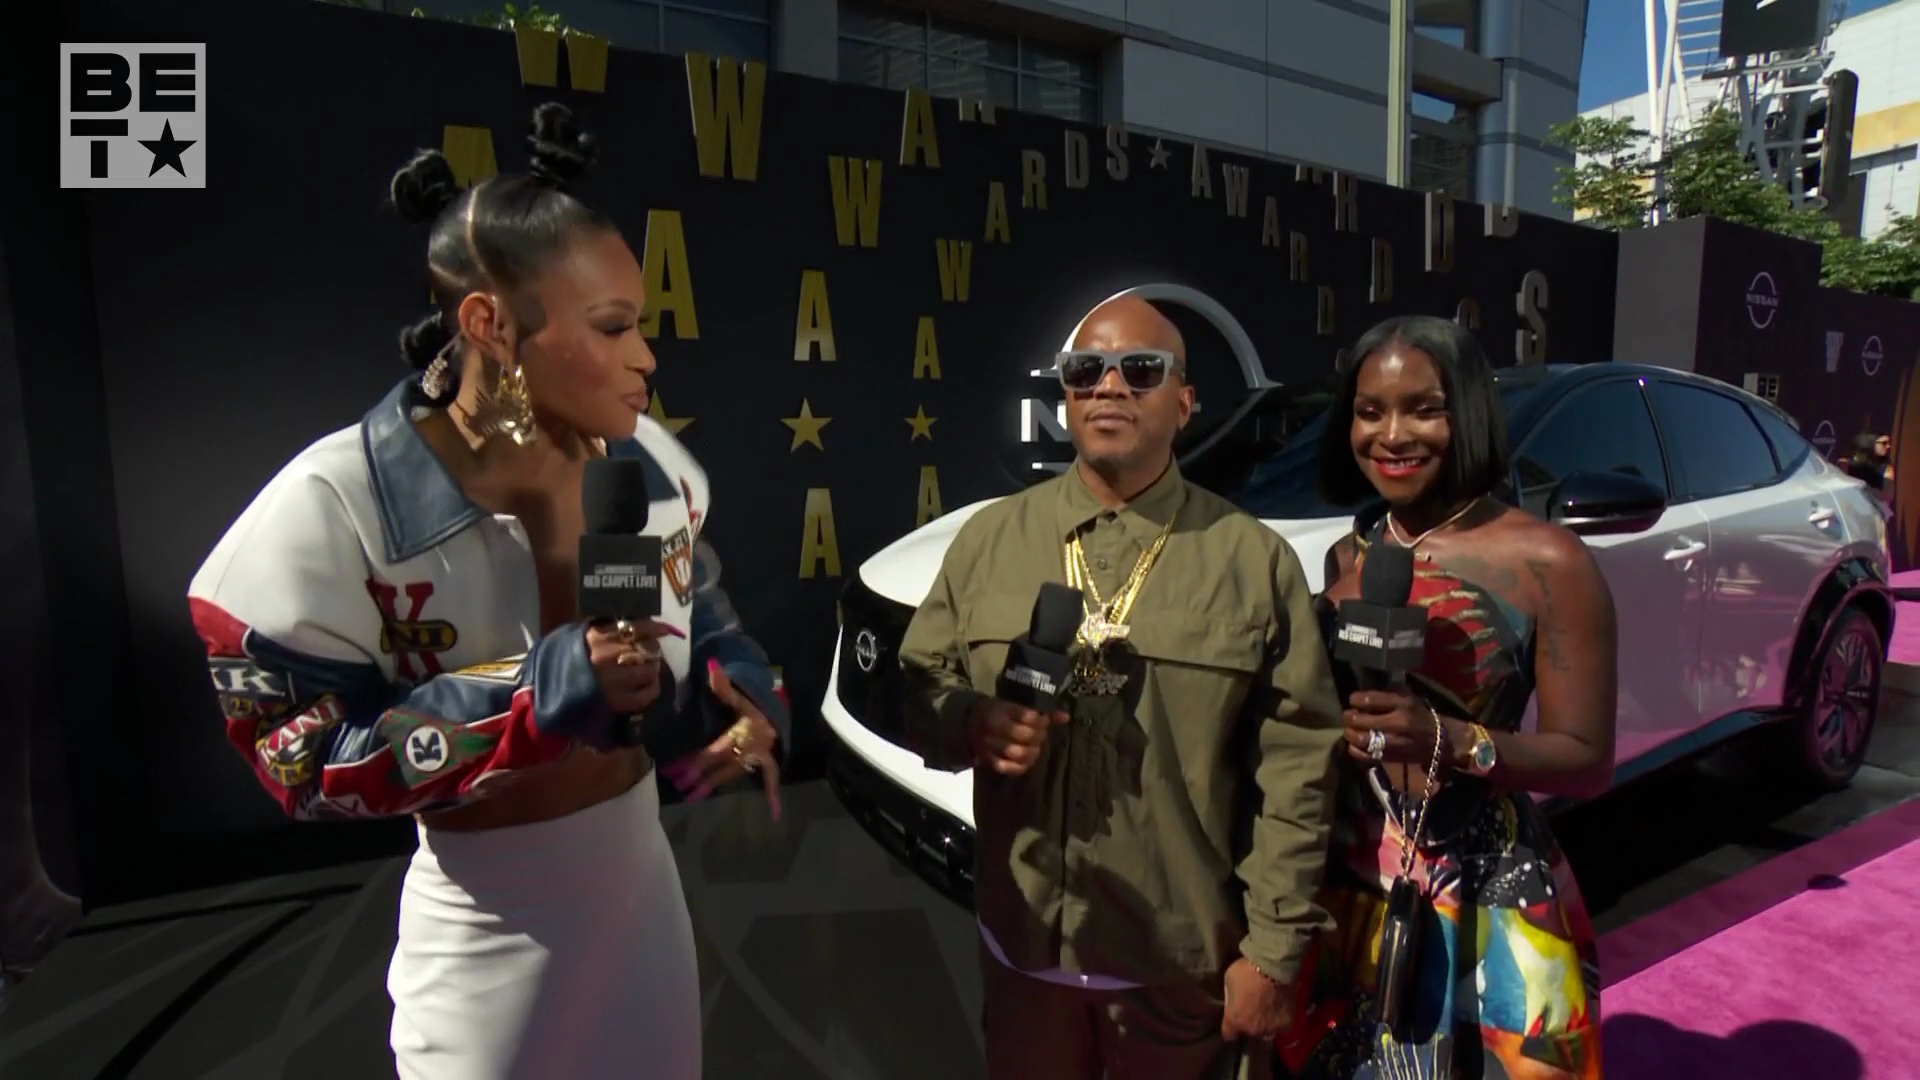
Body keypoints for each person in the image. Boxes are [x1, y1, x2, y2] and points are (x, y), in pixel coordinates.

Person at [184, 104, 786, 1080]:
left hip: (644, 897)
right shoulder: (332, 505)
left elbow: (692, 593)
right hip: (487, 928)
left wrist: (733, 669)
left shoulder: (639, 463)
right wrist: (540, 691)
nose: (646, 357)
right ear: (490, 325)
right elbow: (302, 758)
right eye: (613, 327)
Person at [896, 294, 1345, 1079]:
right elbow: (917, 690)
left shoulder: (1252, 561)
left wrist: (1275, 952)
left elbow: (1298, 769)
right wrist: (972, 722)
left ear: (1185, 402)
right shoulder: (987, 539)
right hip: (1025, 957)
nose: (1109, 386)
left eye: (1140, 370)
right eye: (1085, 370)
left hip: (1181, 974)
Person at [1294, 315, 1613, 1080]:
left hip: (1484, 887)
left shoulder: (1549, 560)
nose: (1391, 435)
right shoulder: (1351, 552)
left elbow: (1587, 761)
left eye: (1423, 409)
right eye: (1370, 411)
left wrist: (1447, 738)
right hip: (1353, 877)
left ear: (1466, 413)